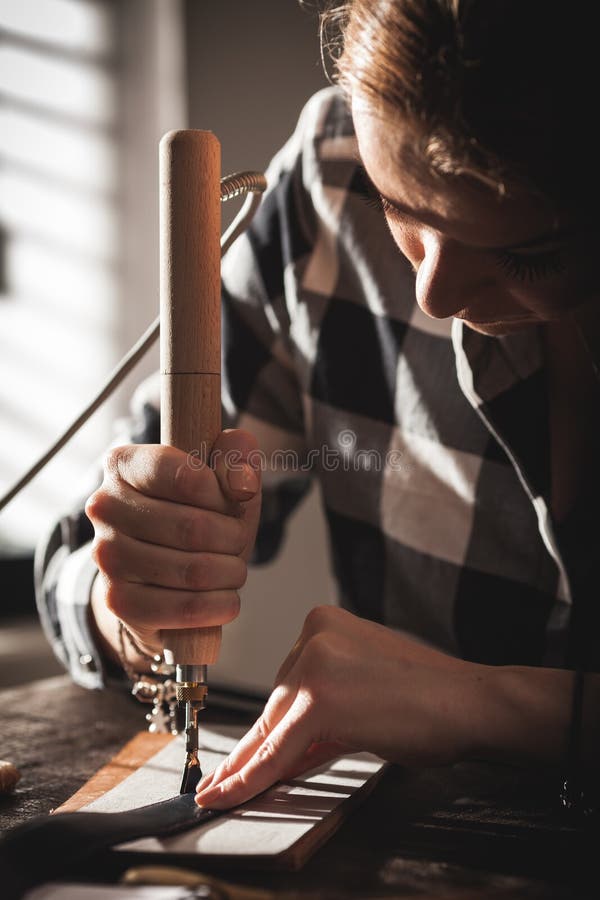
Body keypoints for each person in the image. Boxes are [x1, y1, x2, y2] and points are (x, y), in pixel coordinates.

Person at [35, 0, 600, 814]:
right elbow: (74, 563)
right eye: (399, 206)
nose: (433, 295)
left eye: (530, 256)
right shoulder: (333, 174)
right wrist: (130, 592)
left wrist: (492, 708)